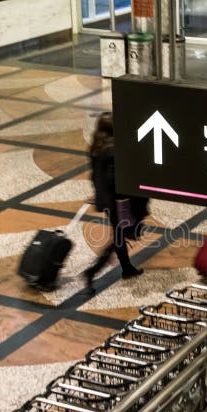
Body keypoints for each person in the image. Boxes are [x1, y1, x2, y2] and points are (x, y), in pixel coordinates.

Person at [83, 112, 146, 293]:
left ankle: (126, 268)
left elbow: (96, 176)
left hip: (108, 200)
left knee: (120, 234)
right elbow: (115, 178)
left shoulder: (96, 147)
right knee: (122, 235)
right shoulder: (113, 149)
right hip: (120, 201)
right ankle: (92, 272)